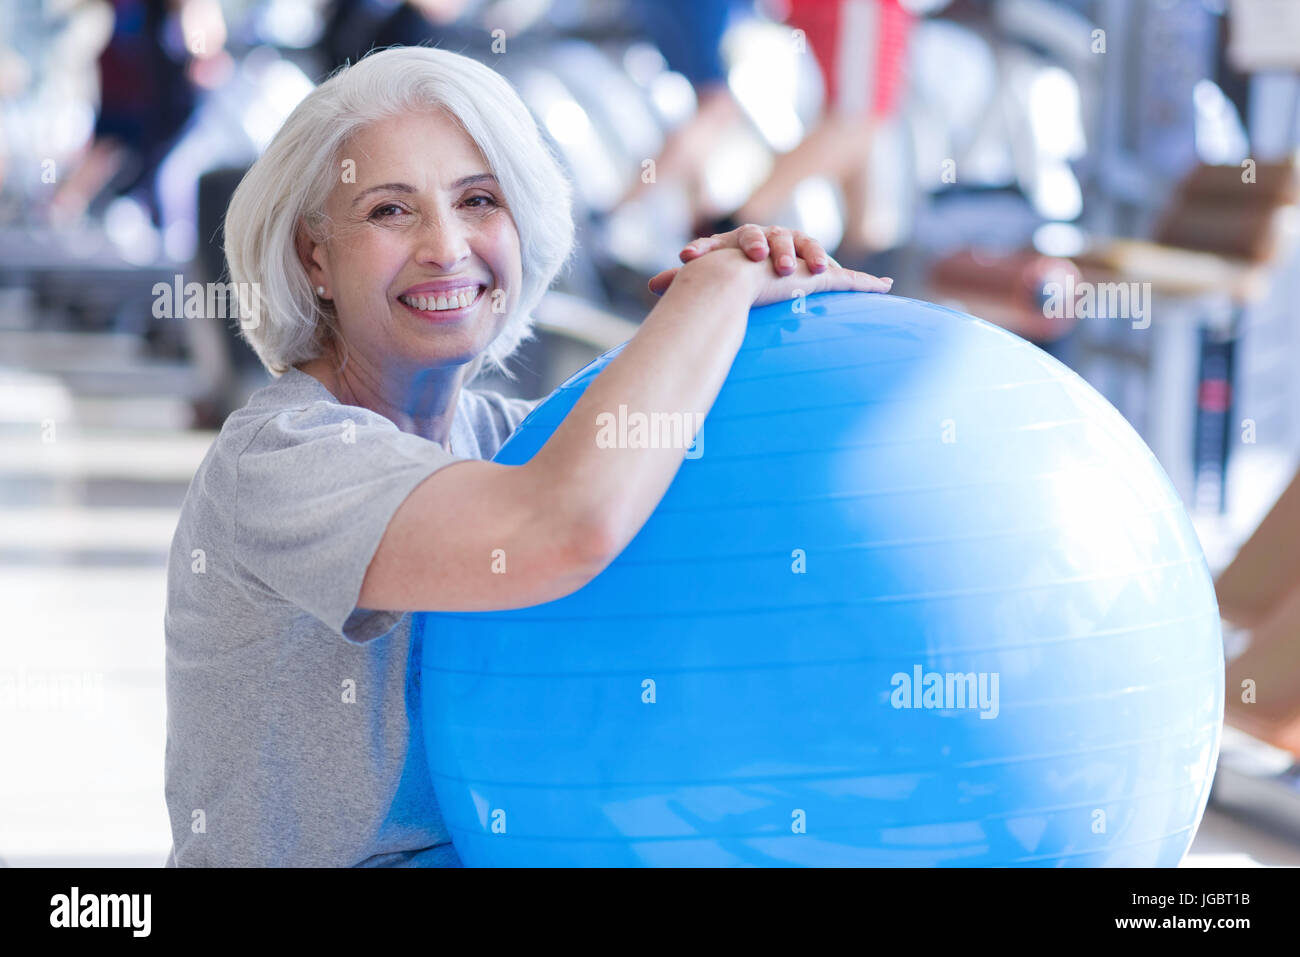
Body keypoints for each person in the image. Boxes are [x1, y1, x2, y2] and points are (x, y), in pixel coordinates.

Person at [162, 45, 891, 867]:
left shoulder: (517, 438)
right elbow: (563, 524)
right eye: (390, 211)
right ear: (314, 258)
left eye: (478, 200)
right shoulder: (279, 458)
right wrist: (713, 288)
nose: (446, 245)